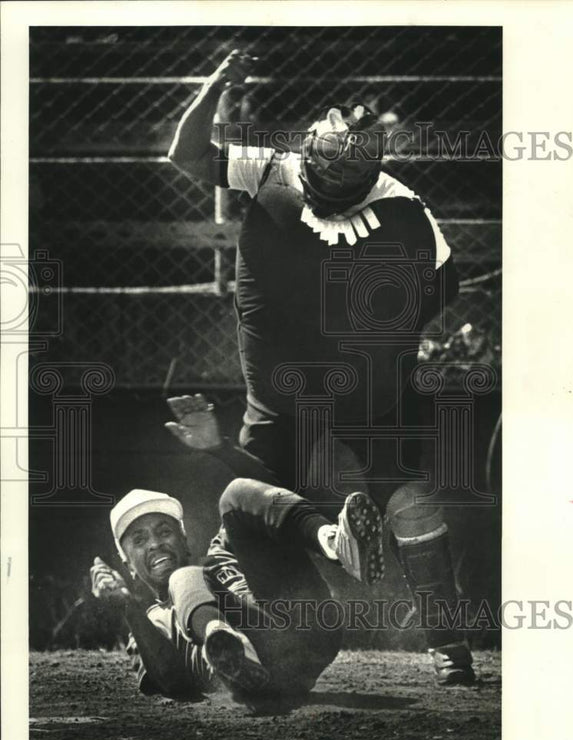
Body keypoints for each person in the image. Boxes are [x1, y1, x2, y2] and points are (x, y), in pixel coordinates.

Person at [168, 51, 473, 684]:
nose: (327, 189)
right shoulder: (312, 179)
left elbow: (445, 288)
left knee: (352, 493)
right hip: (317, 377)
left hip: (322, 376)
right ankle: (431, 644)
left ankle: (434, 642)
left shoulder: (373, 200)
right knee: (303, 495)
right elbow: (186, 154)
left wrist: (216, 88)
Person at [90, 480, 384, 708]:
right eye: (139, 540)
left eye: (164, 531)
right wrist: (127, 607)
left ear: (184, 538)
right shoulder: (146, 624)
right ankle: (229, 649)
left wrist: (222, 448)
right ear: (127, 563)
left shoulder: (222, 552)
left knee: (235, 494)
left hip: (302, 634)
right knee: (182, 578)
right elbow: (171, 681)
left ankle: (334, 543)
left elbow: (266, 496)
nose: (155, 543)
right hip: (249, 679)